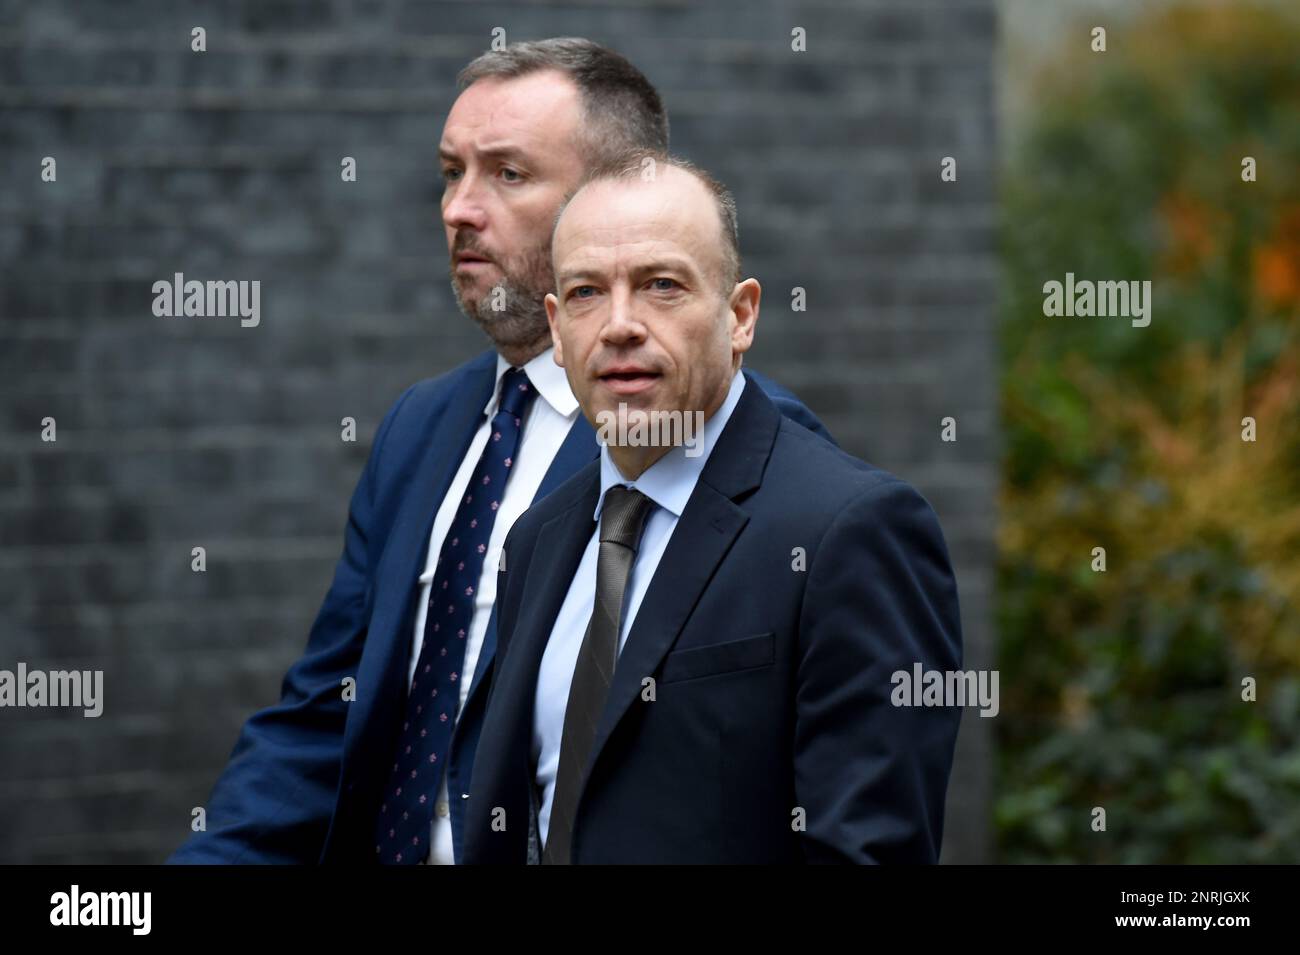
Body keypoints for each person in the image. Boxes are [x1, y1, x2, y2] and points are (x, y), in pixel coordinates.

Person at [168, 39, 830, 865]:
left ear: (613, 196)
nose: (459, 209)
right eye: (452, 173)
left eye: (507, 174)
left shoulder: (734, 450)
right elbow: (324, 717)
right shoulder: (421, 427)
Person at [463, 156, 960, 864]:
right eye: (586, 292)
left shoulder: (851, 533)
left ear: (740, 315)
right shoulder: (537, 539)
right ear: (557, 328)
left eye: (662, 285)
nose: (620, 325)